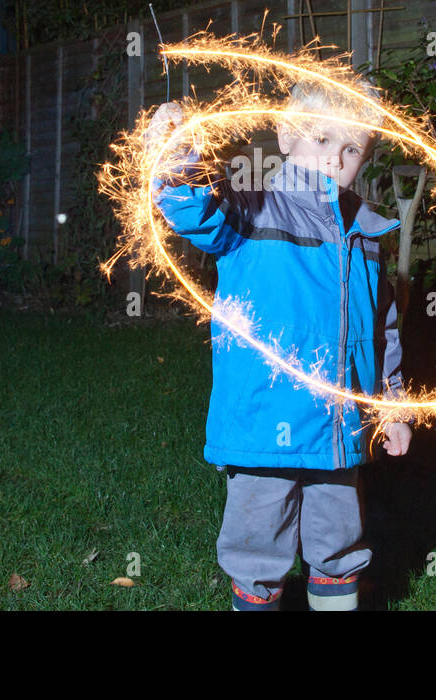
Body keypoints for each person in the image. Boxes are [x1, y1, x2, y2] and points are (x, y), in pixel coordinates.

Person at [144, 78, 413, 611]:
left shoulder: (366, 237)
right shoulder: (250, 213)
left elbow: (383, 329)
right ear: (286, 136)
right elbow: (194, 211)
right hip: (264, 431)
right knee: (257, 548)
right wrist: (179, 157)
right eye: (320, 139)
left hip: (339, 433)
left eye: (353, 148)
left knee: (339, 544)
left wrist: (394, 402)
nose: (336, 158)